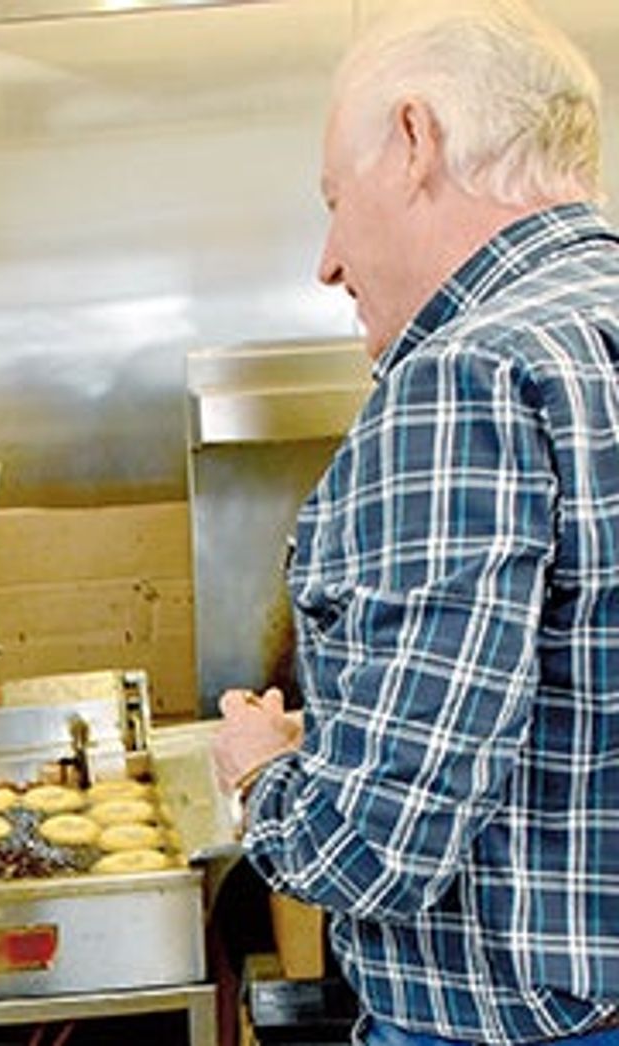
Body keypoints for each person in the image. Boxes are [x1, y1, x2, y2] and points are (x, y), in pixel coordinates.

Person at [210, 1, 619, 1043]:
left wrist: (262, 766)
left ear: (413, 140)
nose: (330, 260)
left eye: (336, 202)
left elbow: (383, 842)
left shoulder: (464, 375)